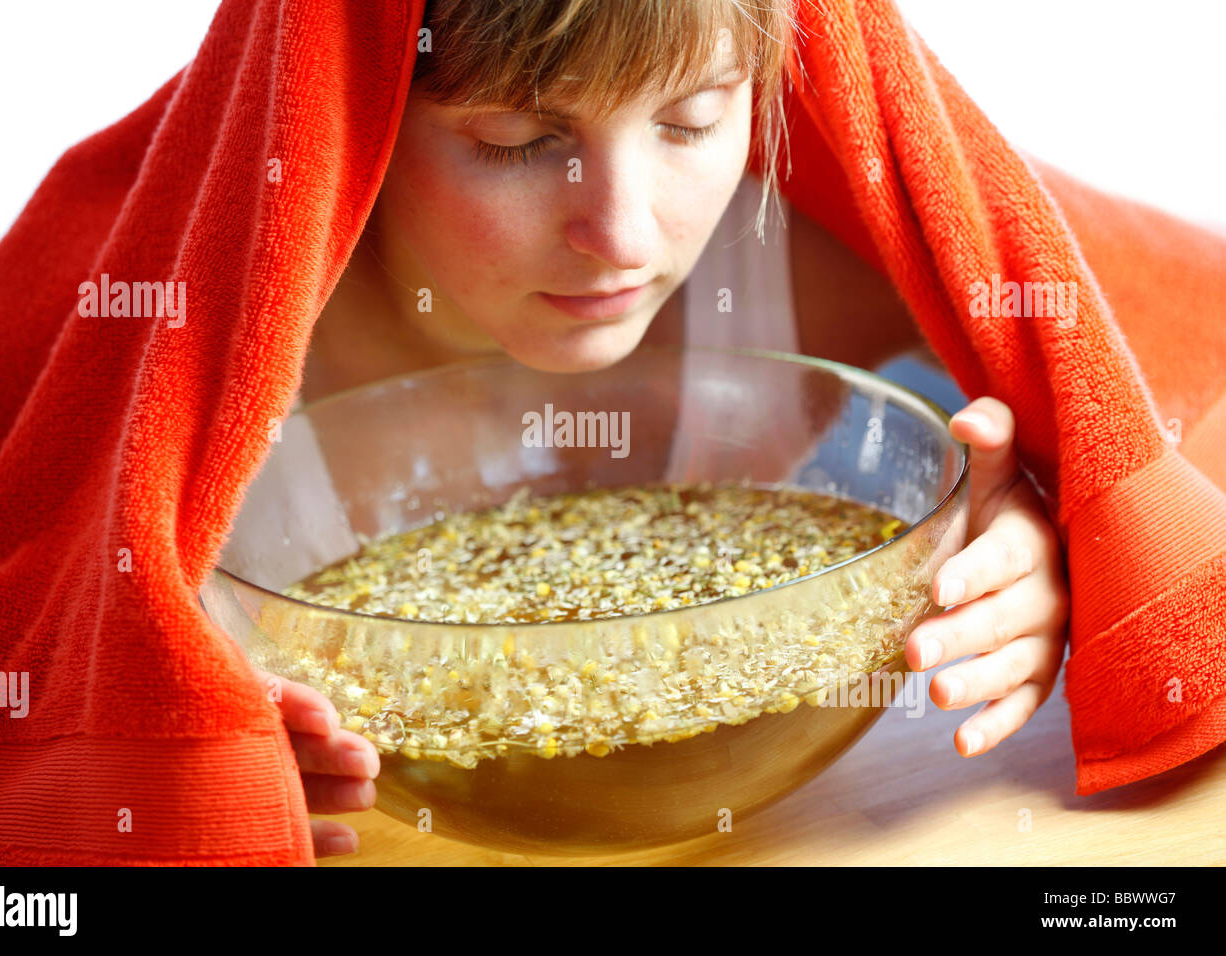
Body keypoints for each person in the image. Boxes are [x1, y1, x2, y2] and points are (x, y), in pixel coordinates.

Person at [283, 0, 1069, 858]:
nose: (621, 235)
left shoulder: (808, 260)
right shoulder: (204, 357)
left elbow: (1144, 381)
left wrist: (1056, 519)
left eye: (691, 120)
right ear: (350, 105)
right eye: (518, 139)